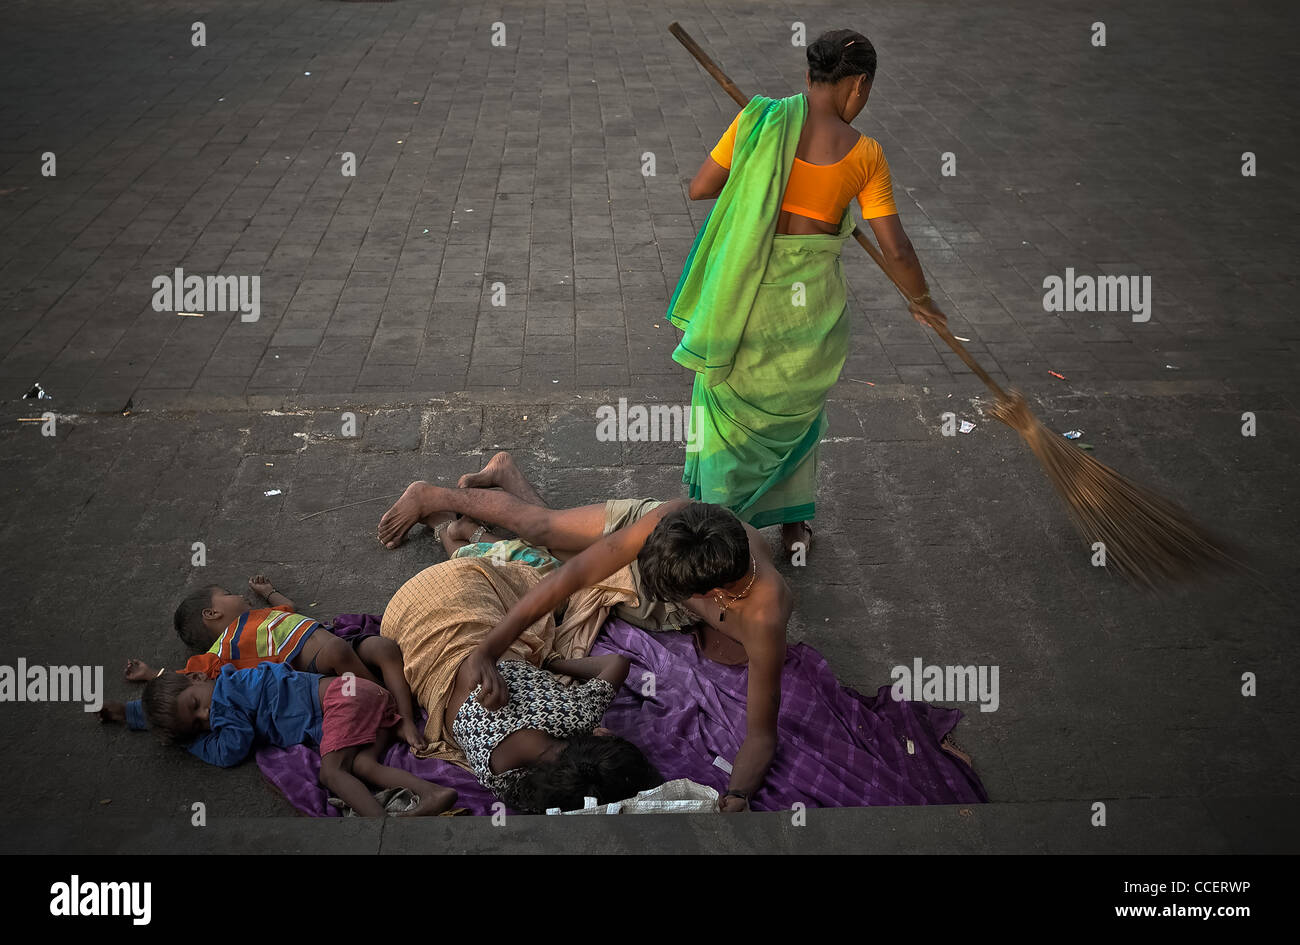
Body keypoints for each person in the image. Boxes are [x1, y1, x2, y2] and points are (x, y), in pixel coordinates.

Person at [377, 451, 791, 813]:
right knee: (546, 533)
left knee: (559, 558)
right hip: (661, 543)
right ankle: (434, 496)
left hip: (679, 573)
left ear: (710, 594)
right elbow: (578, 574)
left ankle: (501, 488)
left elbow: (760, 735)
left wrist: (738, 792)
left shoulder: (763, 619)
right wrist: (489, 648)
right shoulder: (677, 521)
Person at [673, 28, 948, 556]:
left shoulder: (759, 120)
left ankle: (718, 521)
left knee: (729, 407)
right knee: (798, 413)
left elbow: (701, 187)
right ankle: (793, 525)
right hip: (810, 312)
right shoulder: (865, 154)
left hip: (743, 301)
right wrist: (921, 300)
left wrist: (759, 176)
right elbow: (897, 250)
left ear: (808, 76)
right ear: (859, 85)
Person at [99, 574, 426, 749]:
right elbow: (182, 684)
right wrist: (147, 681)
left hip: (332, 639)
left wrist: (269, 592)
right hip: (319, 664)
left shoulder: (261, 614)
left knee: (383, 647)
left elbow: (291, 607)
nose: (236, 594)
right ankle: (394, 714)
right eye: (226, 592)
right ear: (212, 613)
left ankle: (403, 711)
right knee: (340, 652)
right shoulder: (223, 648)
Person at [142, 661, 457, 817]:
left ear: (197, 677)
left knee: (330, 773)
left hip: (341, 699)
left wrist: (190, 742)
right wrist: (133, 715)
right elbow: (181, 708)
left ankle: (381, 828)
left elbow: (231, 749)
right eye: (198, 727)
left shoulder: (228, 695)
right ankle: (433, 793)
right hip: (362, 699)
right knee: (362, 765)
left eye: (196, 705)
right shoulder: (220, 693)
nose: (207, 716)